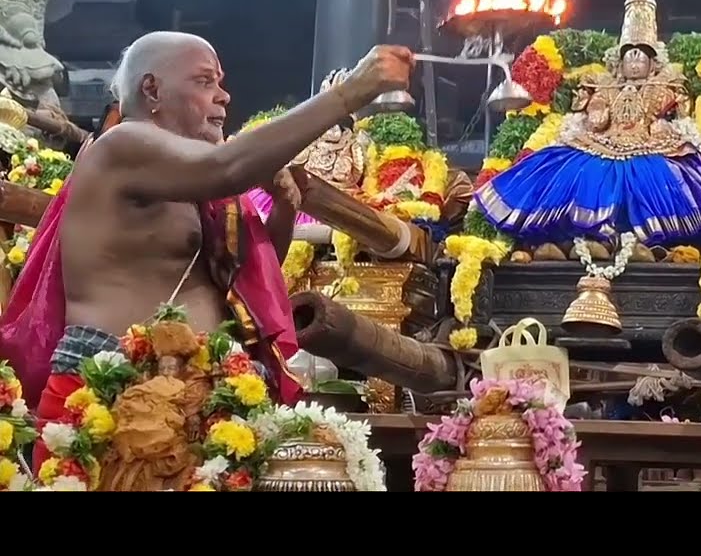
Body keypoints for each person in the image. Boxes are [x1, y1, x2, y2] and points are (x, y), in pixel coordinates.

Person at [0, 31, 413, 469]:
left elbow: (250, 275)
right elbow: (228, 167)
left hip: (200, 387)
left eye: (219, 82)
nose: (223, 96)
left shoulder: (194, 172)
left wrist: (285, 212)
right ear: (152, 89)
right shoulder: (122, 145)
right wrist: (348, 93)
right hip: (114, 387)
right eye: (204, 82)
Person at [474, 0, 701, 250]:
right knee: (576, 171)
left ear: (653, 63)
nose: (634, 60)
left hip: (651, 147)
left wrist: (663, 125)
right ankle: (584, 239)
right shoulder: (602, 85)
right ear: (618, 63)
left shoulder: (666, 86)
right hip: (600, 144)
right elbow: (596, 121)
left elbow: (680, 117)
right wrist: (597, 110)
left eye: (641, 56)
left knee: (656, 178)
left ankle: (637, 243)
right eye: (629, 55)